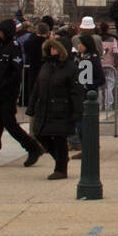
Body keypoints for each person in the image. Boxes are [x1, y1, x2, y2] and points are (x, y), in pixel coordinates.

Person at [0, 19, 44, 167]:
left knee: (10, 124)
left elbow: (15, 74)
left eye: (2, 32)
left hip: (6, 94)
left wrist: (3, 87)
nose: (0, 35)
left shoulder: (13, 47)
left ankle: (32, 147)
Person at [28, 38, 84, 179]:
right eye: (51, 48)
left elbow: (76, 92)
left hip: (61, 107)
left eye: (55, 48)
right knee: (39, 133)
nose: (52, 51)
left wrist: (77, 111)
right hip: (45, 107)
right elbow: (37, 86)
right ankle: (61, 159)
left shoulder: (70, 68)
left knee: (59, 138)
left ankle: (61, 168)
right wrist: (31, 106)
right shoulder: (46, 66)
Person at [72, 34, 105, 159]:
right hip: (78, 95)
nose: (79, 46)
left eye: (81, 44)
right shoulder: (78, 58)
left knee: (86, 123)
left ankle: (90, 147)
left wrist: (89, 86)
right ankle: (85, 146)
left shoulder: (93, 59)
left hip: (88, 95)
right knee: (79, 123)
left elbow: (101, 79)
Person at [98, 22, 118, 111]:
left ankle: (99, 105)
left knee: (99, 86)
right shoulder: (112, 39)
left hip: (99, 65)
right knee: (109, 86)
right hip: (110, 65)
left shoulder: (98, 39)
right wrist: (116, 63)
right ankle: (108, 105)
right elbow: (115, 52)